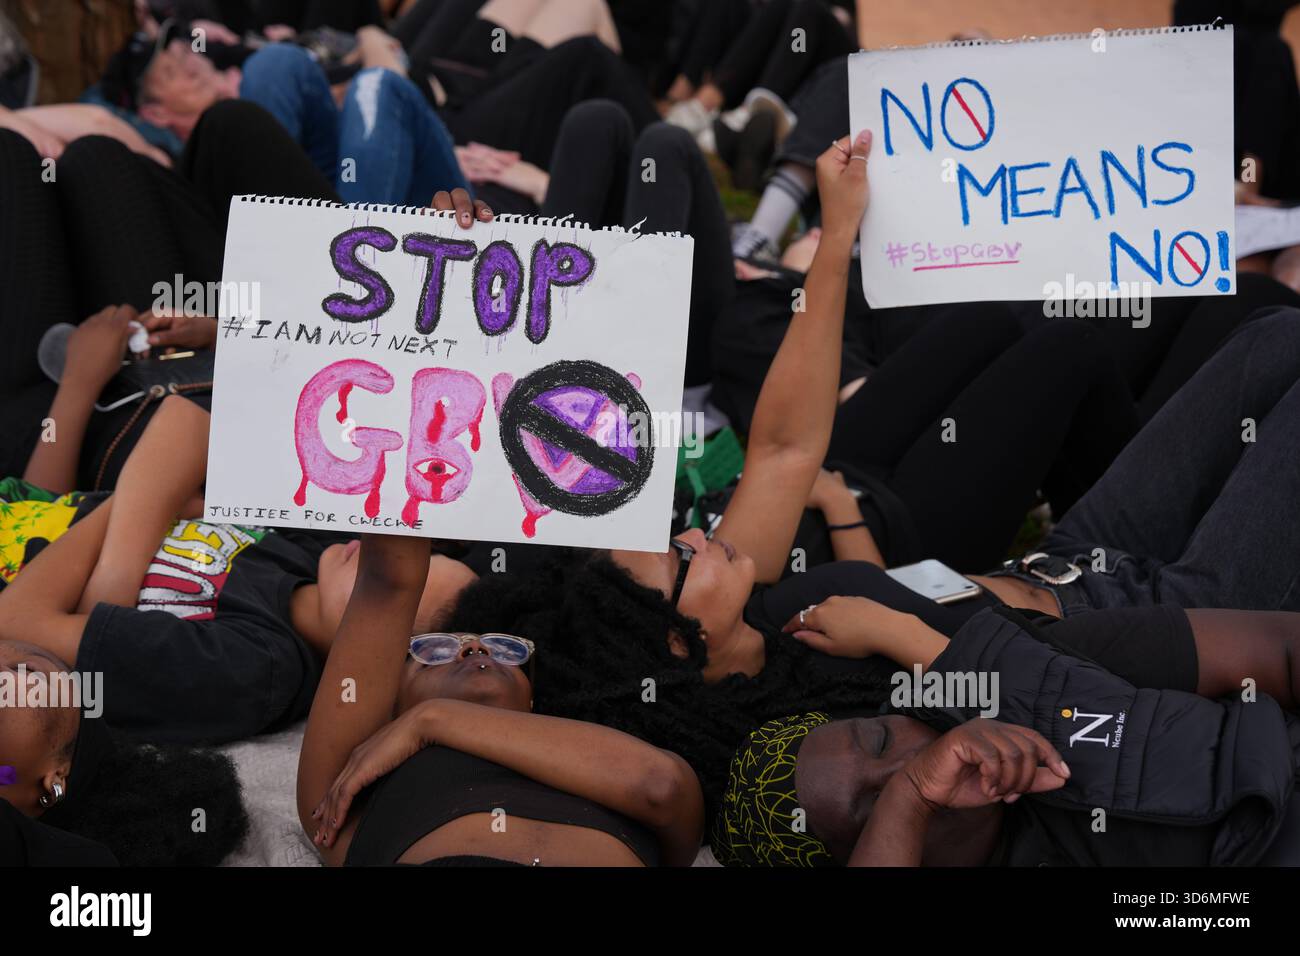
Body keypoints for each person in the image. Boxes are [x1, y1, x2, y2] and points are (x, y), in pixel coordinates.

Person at [713, 599, 1300, 866]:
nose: (928, 767)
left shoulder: (1026, 675)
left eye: (884, 742)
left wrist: (907, 635)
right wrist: (912, 796)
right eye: (876, 811)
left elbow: (1279, 649)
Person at [298, 534, 705, 866]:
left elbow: (663, 786)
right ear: (390, 710)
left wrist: (432, 720)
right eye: (435, 653)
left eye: (505, 650)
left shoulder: (590, 749)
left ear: (533, 702)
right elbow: (386, 580)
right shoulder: (344, 797)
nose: (474, 650)